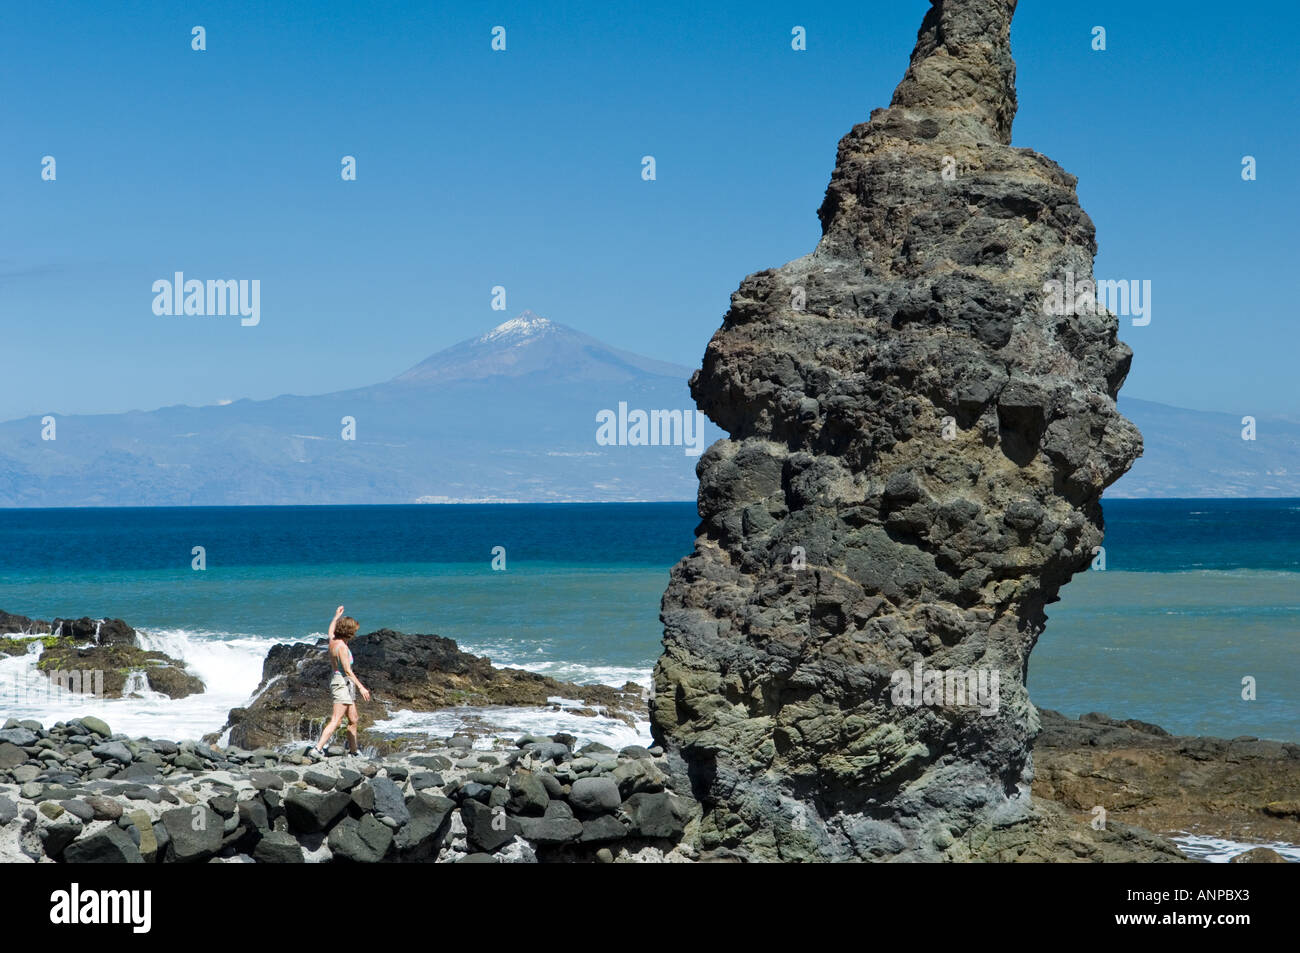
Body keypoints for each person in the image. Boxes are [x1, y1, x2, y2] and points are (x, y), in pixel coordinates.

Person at [308, 606, 370, 758]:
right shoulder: (341, 647)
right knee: (336, 719)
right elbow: (348, 671)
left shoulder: (333, 640)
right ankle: (317, 749)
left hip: (344, 682)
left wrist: (336, 616)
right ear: (349, 632)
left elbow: (330, 631)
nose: (356, 632)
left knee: (353, 719)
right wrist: (362, 687)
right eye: (354, 630)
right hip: (341, 682)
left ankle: (354, 752)